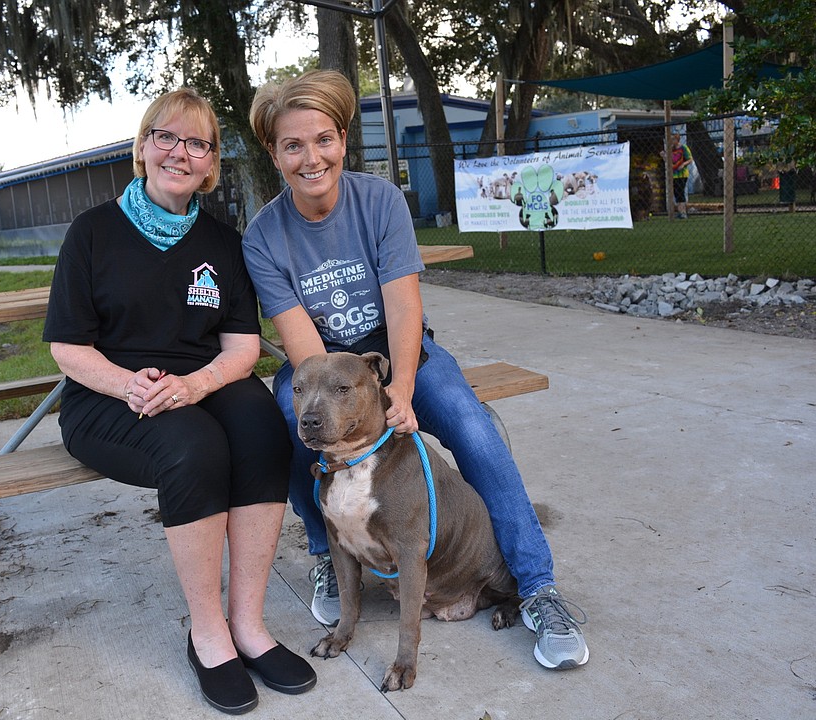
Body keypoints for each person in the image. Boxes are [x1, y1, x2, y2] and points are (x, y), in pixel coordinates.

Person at [241, 70, 589, 670]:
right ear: (274, 152)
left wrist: (399, 388)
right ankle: (331, 549)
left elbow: (404, 303)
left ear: (343, 139)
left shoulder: (379, 200)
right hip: (325, 366)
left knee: (469, 423)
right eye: (292, 145)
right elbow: (305, 352)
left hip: (398, 352)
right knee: (289, 427)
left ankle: (536, 586)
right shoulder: (264, 235)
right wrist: (344, 408)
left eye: (323, 139)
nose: (310, 157)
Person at [43, 88, 315, 714]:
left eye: (198, 143)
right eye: (166, 136)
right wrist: (128, 383)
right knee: (193, 448)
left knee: (262, 428)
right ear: (142, 148)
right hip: (108, 397)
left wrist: (194, 386)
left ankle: (249, 624)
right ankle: (209, 633)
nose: (180, 152)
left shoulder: (221, 242)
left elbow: (243, 346)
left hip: (201, 385)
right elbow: (68, 349)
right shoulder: (92, 233)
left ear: (211, 164)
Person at [670, 131, 694, 219]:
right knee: (676, 193)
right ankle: (680, 211)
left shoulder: (683, 148)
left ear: (677, 139)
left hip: (682, 174)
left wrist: (683, 164)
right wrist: (664, 156)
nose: (671, 141)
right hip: (674, 174)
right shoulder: (671, 150)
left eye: (673, 139)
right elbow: (670, 161)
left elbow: (690, 159)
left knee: (680, 192)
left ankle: (683, 212)